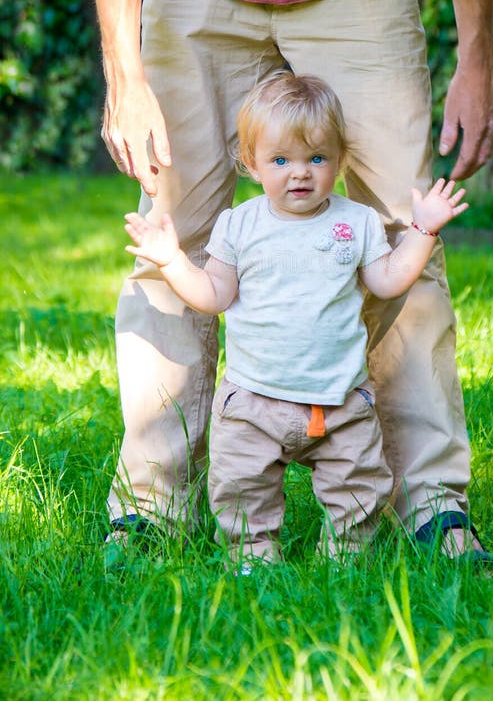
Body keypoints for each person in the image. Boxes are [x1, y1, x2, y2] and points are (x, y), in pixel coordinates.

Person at [89, 0, 493, 568]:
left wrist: (478, 55)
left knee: (404, 228)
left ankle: (432, 507)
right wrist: (125, 74)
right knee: (173, 234)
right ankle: (151, 507)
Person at [123, 71, 470, 567]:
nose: (300, 173)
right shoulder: (238, 224)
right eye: (281, 160)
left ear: (339, 159)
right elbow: (215, 294)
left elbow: (389, 281)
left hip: (341, 402)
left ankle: (346, 559)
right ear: (252, 162)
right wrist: (173, 260)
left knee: (357, 491)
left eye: (317, 158)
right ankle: (254, 556)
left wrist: (422, 230)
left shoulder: (357, 222)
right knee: (242, 489)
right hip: (254, 401)